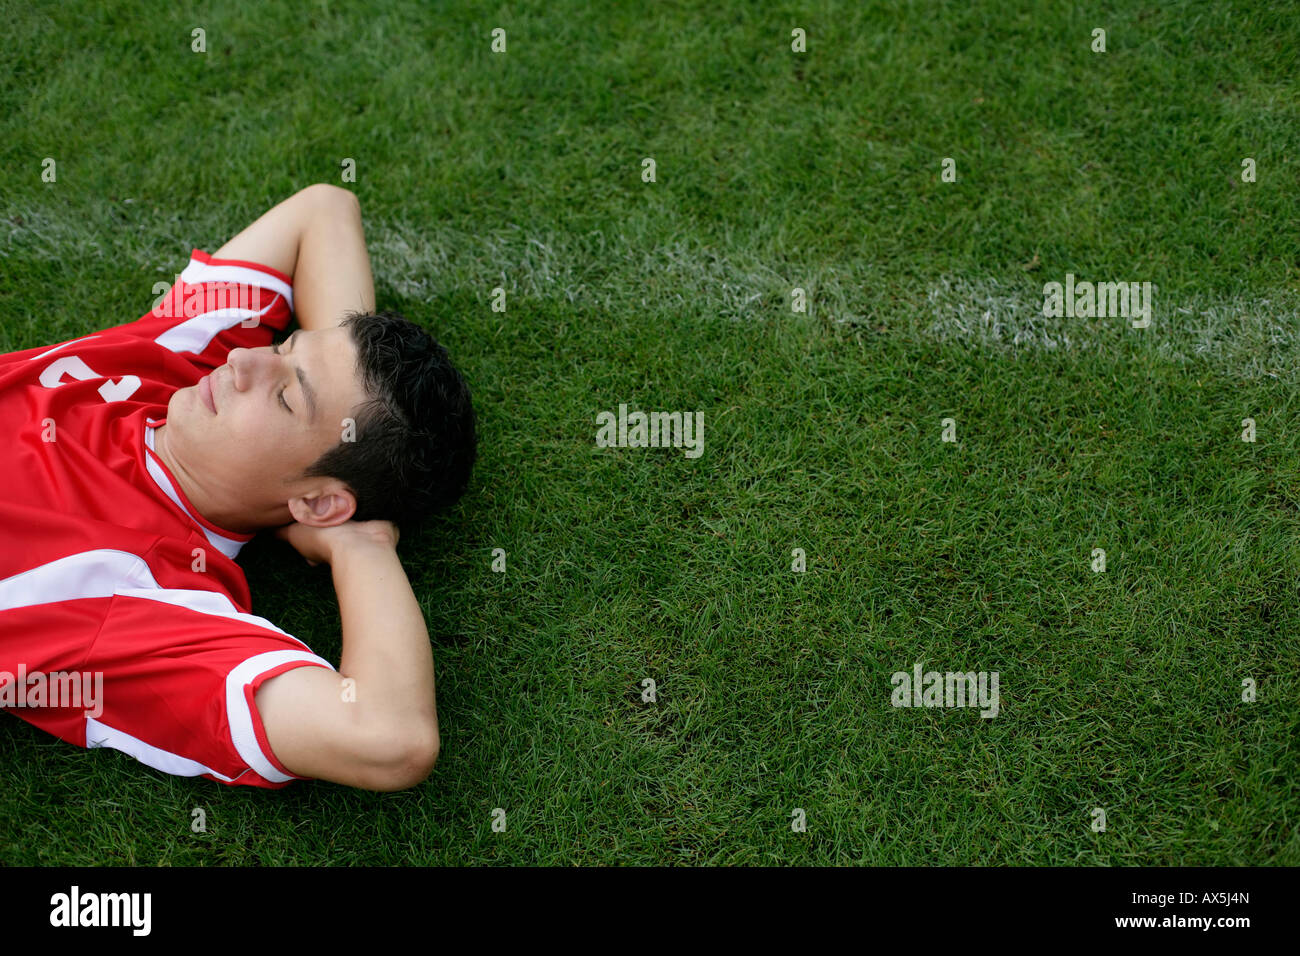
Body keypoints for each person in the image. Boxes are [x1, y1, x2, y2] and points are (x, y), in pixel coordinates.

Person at [0, 184, 476, 790]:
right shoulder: (177, 361)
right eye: (283, 346)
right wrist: (331, 359)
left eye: (285, 396)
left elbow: (389, 739)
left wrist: (360, 546)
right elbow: (323, 209)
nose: (247, 363)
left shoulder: (143, 594)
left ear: (321, 503)